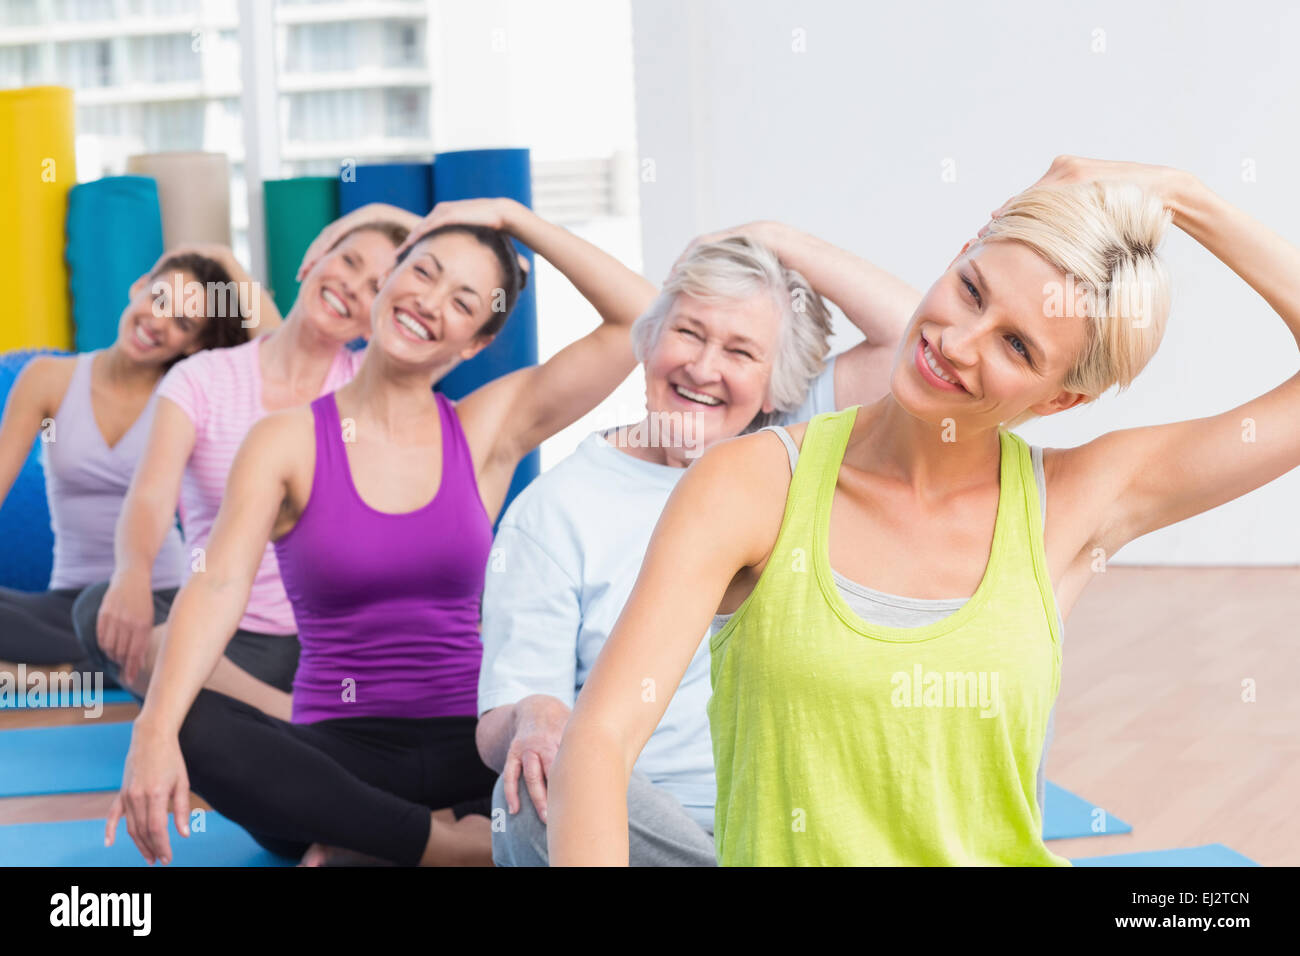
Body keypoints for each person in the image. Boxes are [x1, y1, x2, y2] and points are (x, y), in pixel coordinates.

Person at [548, 155, 1300, 865]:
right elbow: (601, 739)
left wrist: (1181, 192)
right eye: (971, 290)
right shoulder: (750, 485)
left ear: (1061, 398)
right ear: (961, 251)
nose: (958, 342)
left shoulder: (1072, 502)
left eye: (1016, 346)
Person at [106, 196, 651, 866]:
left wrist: (514, 217)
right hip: (340, 751)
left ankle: (369, 842)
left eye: (462, 301)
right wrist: (153, 732)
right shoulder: (285, 442)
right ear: (390, 280)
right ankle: (449, 847)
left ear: (476, 340)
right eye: (422, 272)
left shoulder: (483, 430)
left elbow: (639, 317)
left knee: (581, 752)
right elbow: (215, 584)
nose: (429, 302)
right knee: (189, 722)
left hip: (471, 740)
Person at [479, 227, 916, 865]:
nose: (704, 368)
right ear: (649, 339)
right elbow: (502, 715)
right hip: (636, 825)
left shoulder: (794, 442)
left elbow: (914, 338)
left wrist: (771, 237)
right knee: (522, 795)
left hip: (789, 816)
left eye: (741, 351)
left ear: (775, 388)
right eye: (688, 332)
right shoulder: (554, 511)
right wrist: (534, 715)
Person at [73, 205, 417, 718]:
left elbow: (491, 273)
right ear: (315, 257)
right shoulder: (202, 378)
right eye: (348, 262)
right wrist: (132, 573)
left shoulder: (372, 385)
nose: (351, 287)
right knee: (97, 610)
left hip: (330, 640)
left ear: (384, 315)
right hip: (220, 631)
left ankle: (249, 710)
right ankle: (293, 716)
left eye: (376, 287)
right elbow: (150, 494)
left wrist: (376, 212)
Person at [0, 248, 255, 676]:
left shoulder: (190, 395)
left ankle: (59, 669)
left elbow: (266, 350)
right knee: (82, 615)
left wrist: (222, 257)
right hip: (66, 605)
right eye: (158, 300)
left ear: (194, 344)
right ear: (138, 288)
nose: (157, 323)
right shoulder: (48, 378)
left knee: (138, 625)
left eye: (183, 323)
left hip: (157, 597)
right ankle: (79, 666)